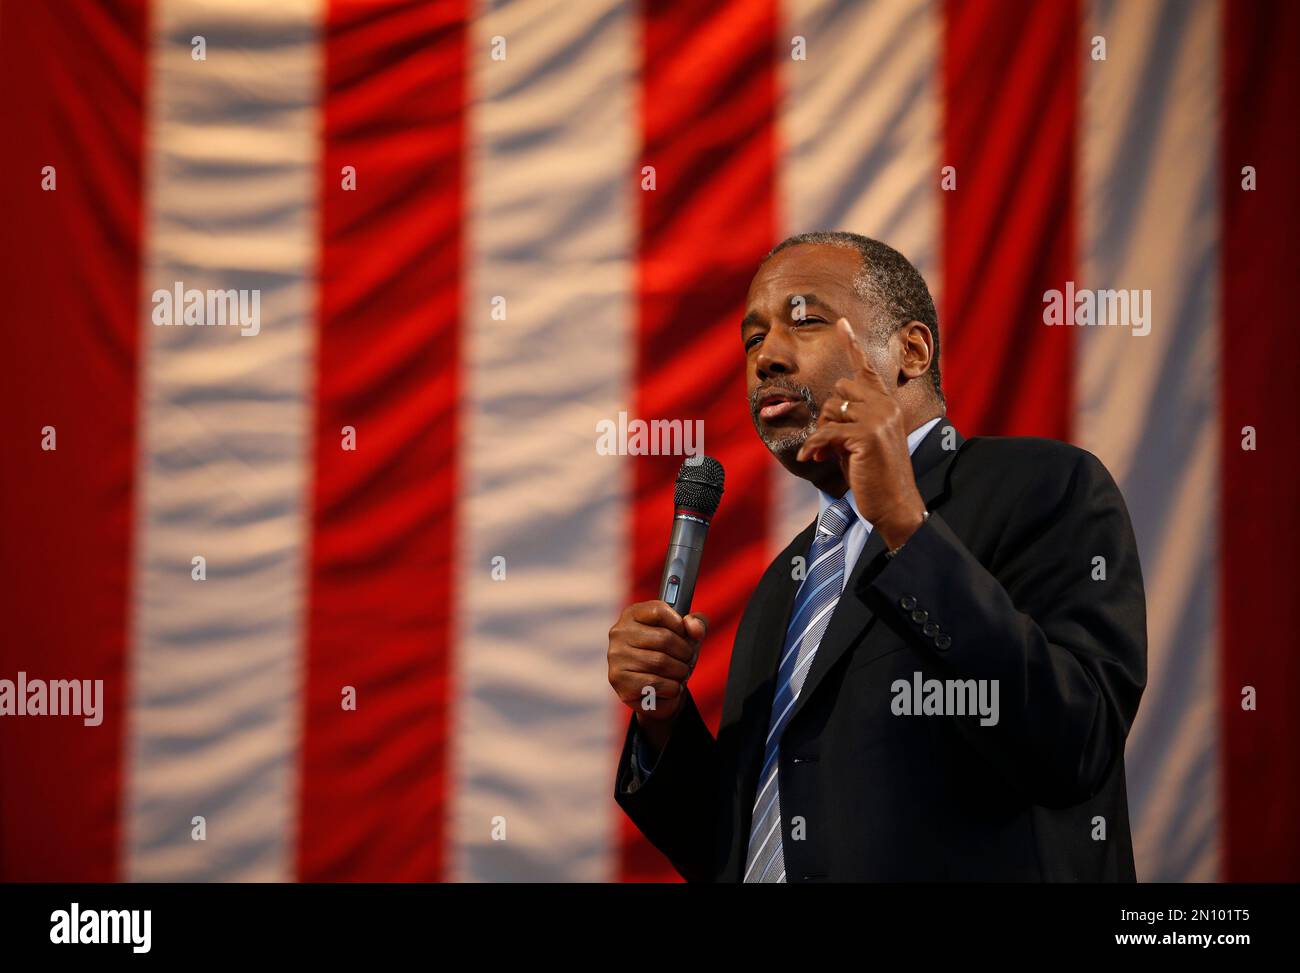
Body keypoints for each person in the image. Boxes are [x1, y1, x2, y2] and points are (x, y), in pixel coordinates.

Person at [607, 231, 1147, 882]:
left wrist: (905, 525)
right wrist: (662, 717)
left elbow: (1073, 745)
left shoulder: (1043, 488)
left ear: (911, 351)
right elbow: (731, 849)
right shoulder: (787, 581)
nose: (766, 357)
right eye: (752, 339)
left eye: (802, 319)